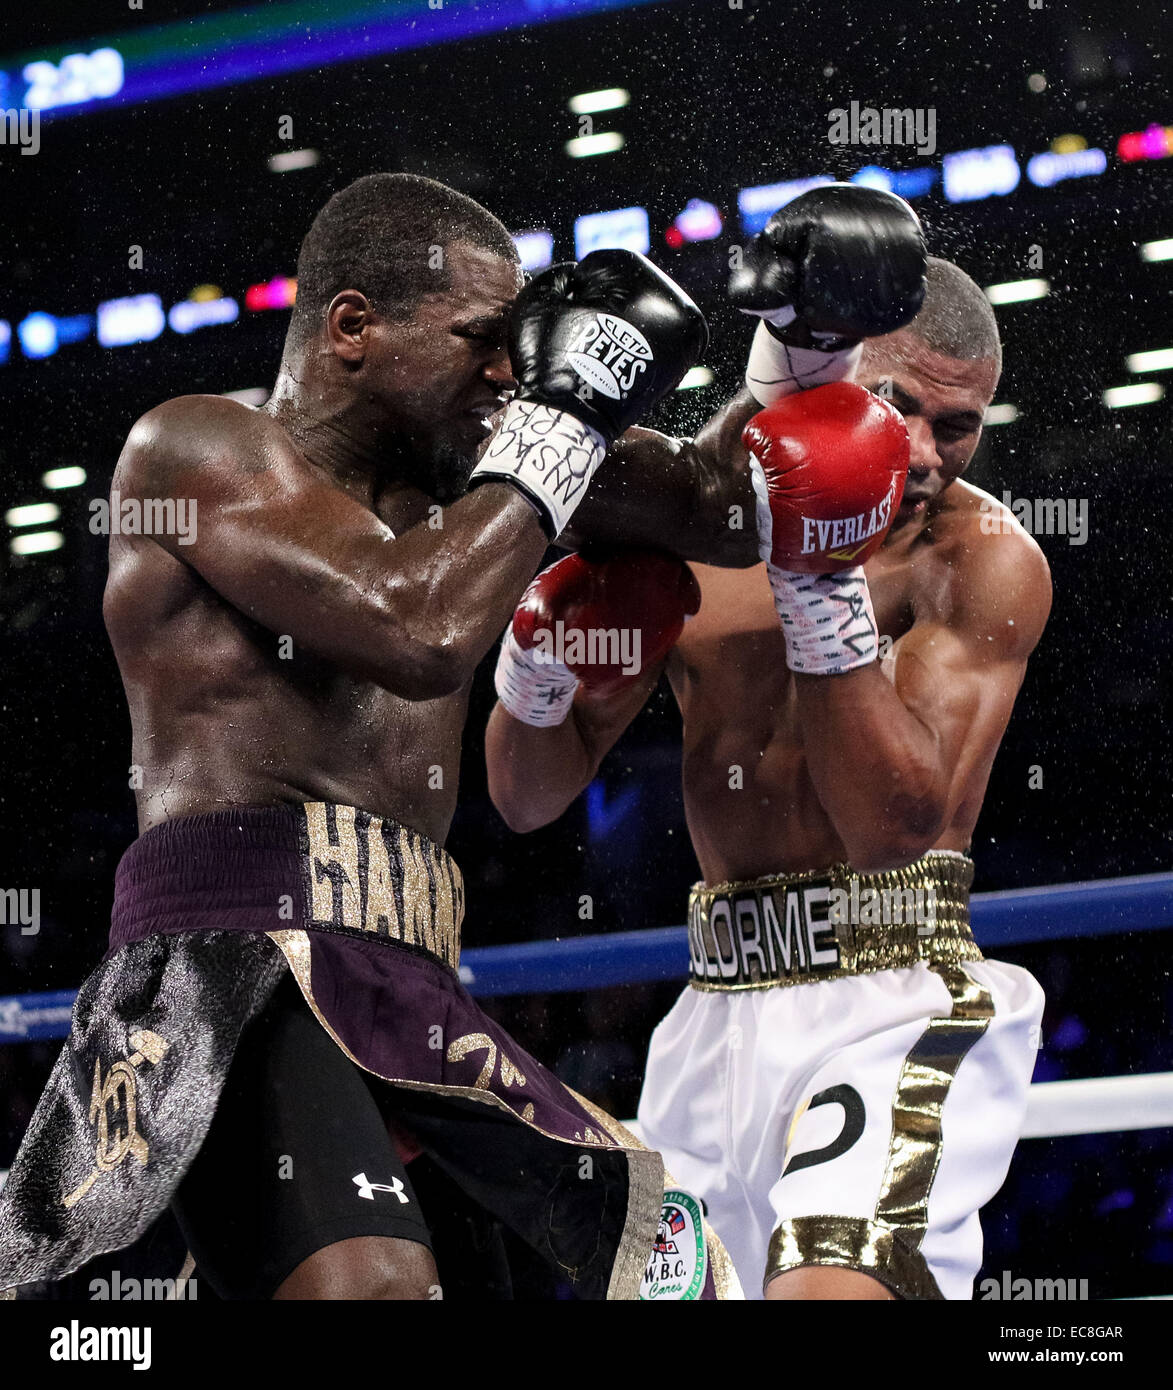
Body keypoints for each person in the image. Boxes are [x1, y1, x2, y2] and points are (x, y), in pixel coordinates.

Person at [0, 172, 741, 1301]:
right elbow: (417, 624)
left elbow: (726, 509)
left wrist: (804, 344)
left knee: (628, 1279)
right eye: (479, 339)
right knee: (372, 1291)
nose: (509, 372)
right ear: (352, 327)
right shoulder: (198, 450)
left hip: (408, 975)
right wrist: (563, 421)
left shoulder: (480, 480)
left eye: (521, 347)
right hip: (236, 957)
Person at [485, 202, 1050, 1300]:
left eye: (962, 424)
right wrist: (535, 673)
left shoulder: (982, 563)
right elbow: (522, 797)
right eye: (900, 409)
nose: (928, 456)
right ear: (824, 373)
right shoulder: (695, 532)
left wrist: (818, 574)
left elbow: (896, 831)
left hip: (893, 989)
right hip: (712, 1013)